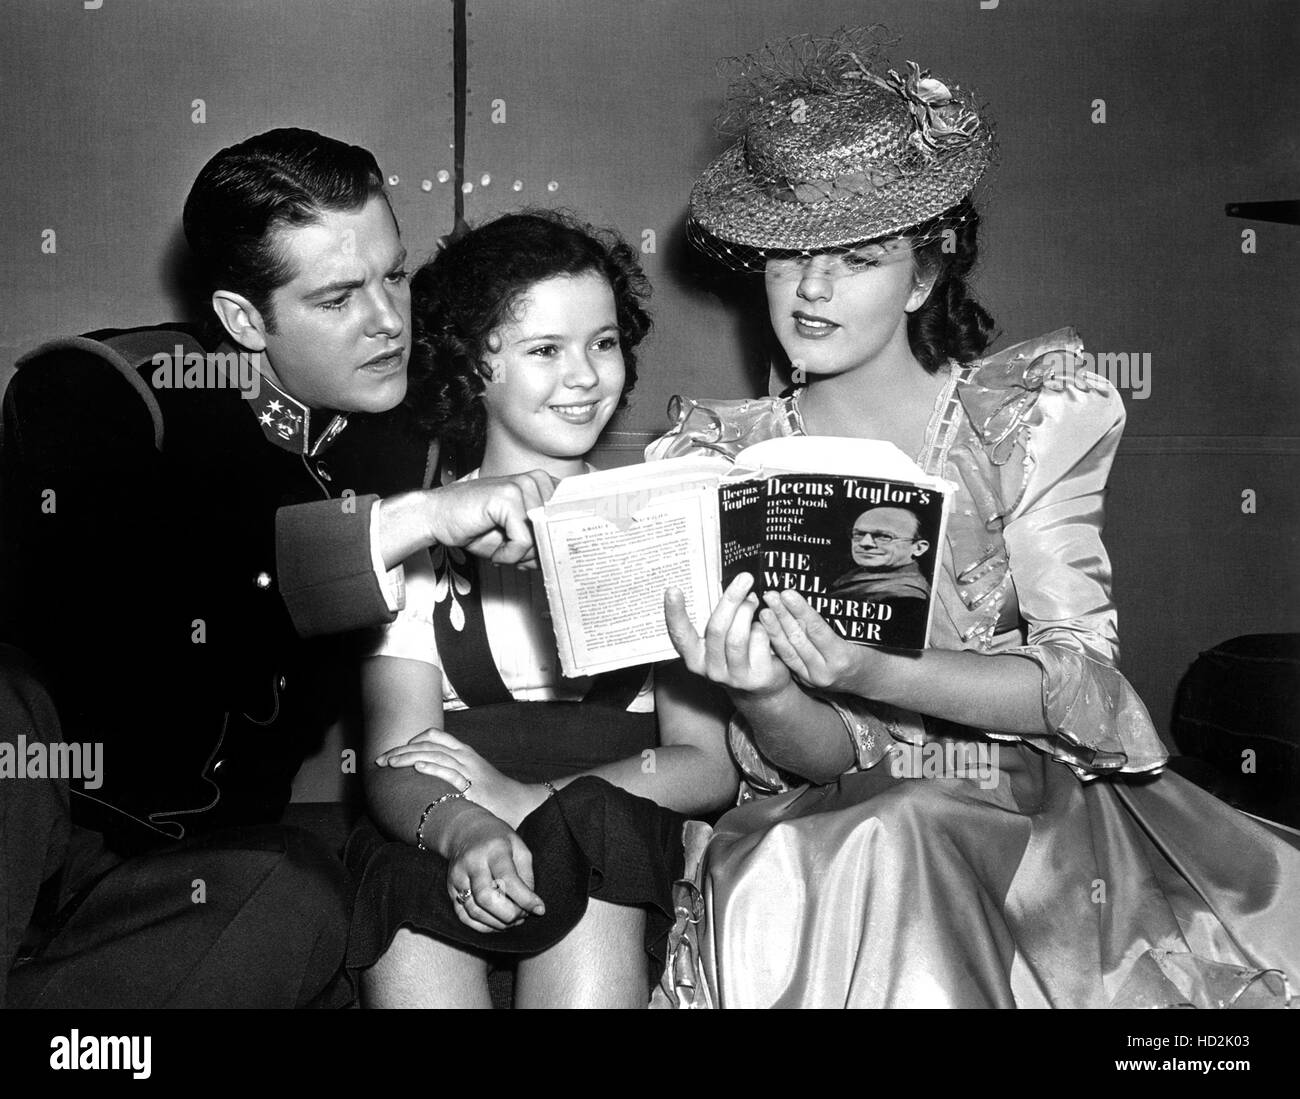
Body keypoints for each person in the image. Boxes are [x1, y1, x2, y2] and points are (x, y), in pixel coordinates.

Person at [651, 30, 1300, 1008]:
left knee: (898, 830)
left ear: (920, 277)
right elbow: (821, 756)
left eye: (855, 258)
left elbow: (1075, 682)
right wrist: (766, 692)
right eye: (789, 258)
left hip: (1019, 804)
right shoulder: (719, 460)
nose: (813, 287)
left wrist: (875, 669)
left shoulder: (1022, 420)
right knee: (852, 841)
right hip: (830, 815)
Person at [0, 128, 556, 1008]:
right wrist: (406, 523)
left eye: (395, 276)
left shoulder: (417, 440)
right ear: (241, 319)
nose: (387, 322)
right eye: (338, 298)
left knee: (299, 892)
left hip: (186, 877)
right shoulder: (103, 390)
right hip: (35, 813)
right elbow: (139, 606)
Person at [344, 211, 737, 1008]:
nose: (588, 376)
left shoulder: (669, 519)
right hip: (441, 827)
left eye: (603, 342)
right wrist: (467, 827)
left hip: (614, 825)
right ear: (468, 367)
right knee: (405, 880)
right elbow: (396, 763)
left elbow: (706, 765)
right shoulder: (417, 531)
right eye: (545, 350)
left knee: (600, 830)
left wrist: (536, 802)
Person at [826, 506, 931, 638]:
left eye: (884, 536)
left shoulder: (905, 597)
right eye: (858, 534)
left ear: (918, 548)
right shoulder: (860, 574)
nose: (865, 543)